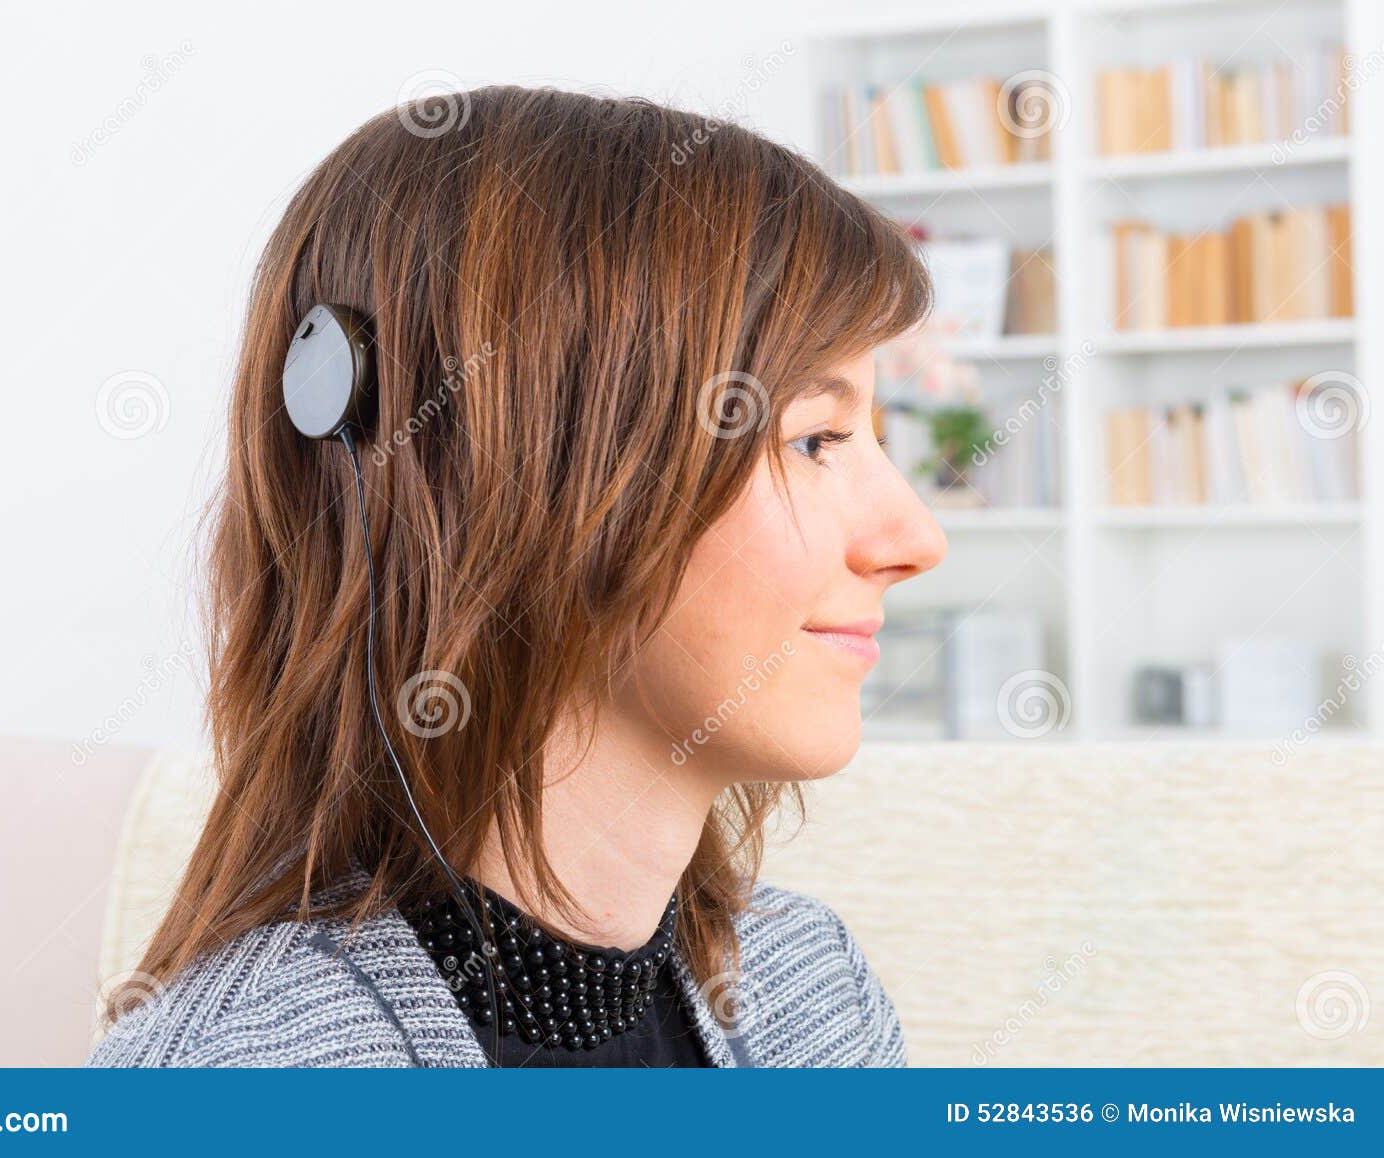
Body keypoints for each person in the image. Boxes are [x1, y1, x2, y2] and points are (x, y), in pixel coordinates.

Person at [88, 84, 946, 1068]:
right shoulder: (260, 1071)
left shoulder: (804, 987)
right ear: (522, 477)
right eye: (816, 438)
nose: (915, 537)